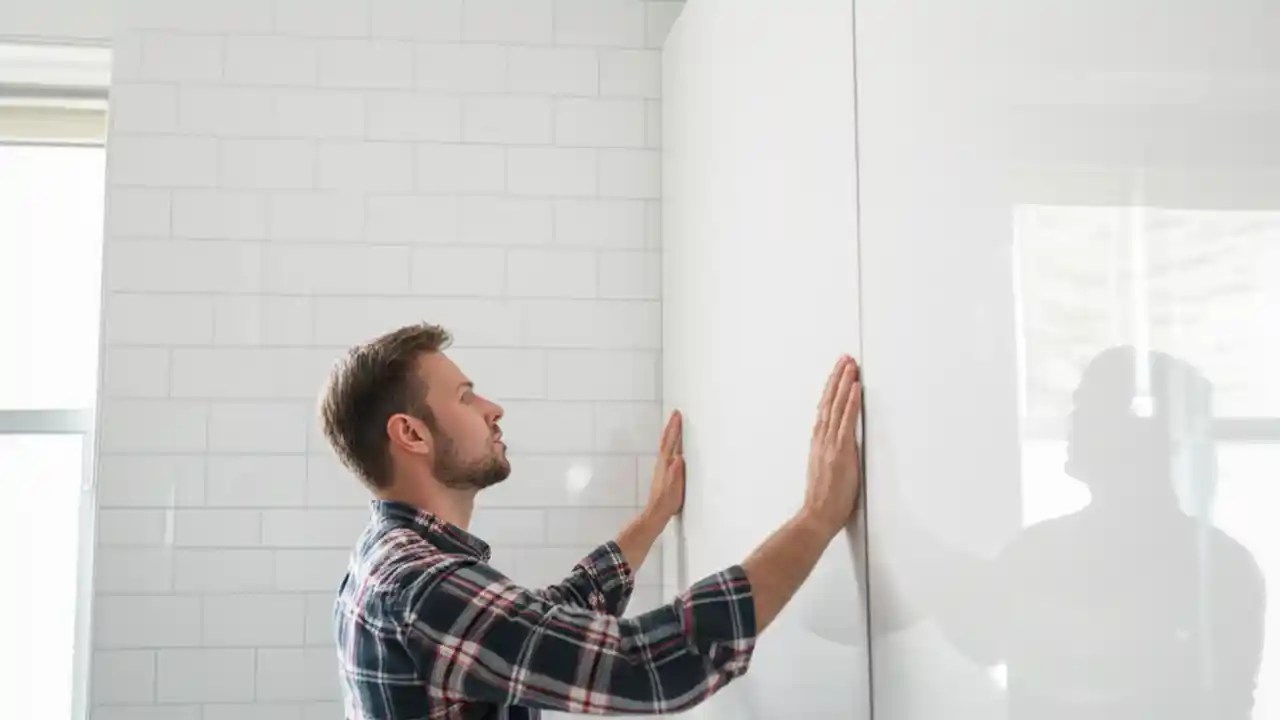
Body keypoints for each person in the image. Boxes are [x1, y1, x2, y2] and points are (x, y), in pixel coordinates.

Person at [320, 322, 863, 719]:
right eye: (465, 397)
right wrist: (816, 519)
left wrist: (652, 519)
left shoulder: (388, 558)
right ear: (411, 434)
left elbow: (540, 625)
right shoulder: (422, 588)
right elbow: (646, 665)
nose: (493, 408)